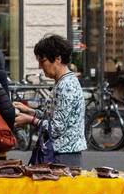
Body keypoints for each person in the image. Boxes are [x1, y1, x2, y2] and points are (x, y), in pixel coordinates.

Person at [19, 35, 87, 168]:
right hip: (60, 153)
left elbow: (56, 128)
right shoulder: (62, 82)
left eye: (42, 60)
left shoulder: (66, 86)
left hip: (64, 155)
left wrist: (30, 119)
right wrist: (30, 111)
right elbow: (53, 116)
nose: (40, 66)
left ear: (57, 59)